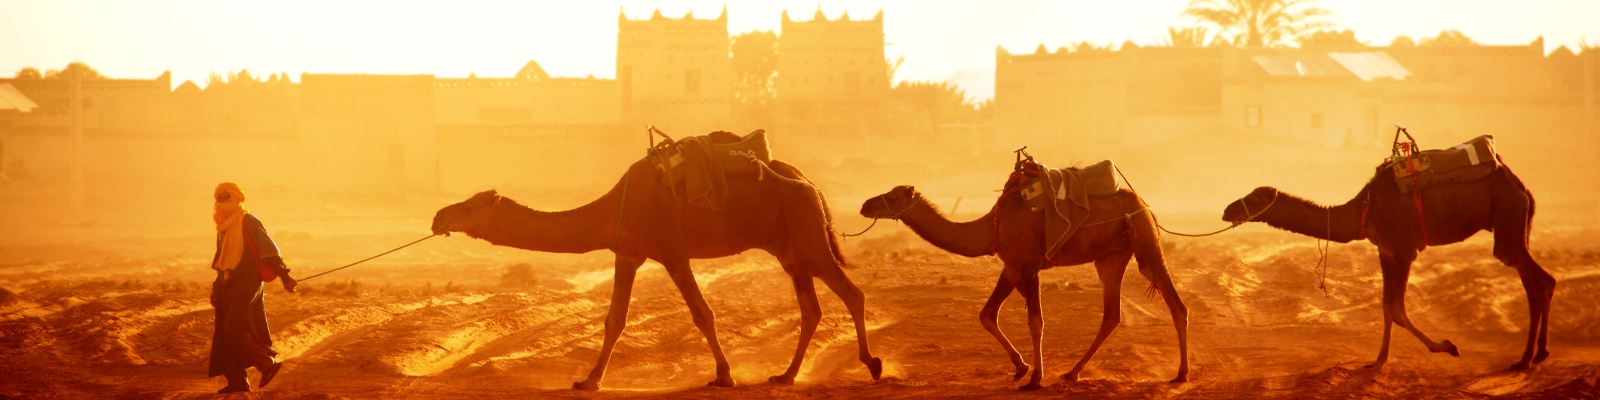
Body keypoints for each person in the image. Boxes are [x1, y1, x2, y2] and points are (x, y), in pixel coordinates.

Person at [208, 182, 297, 393]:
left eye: (227, 198)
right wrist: (215, 287)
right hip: (226, 285)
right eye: (220, 199)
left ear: (238, 199)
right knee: (224, 333)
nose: (223, 203)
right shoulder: (223, 224)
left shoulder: (249, 221)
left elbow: (269, 251)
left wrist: (285, 277)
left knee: (233, 330)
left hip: (247, 284)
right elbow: (221, 258)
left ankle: (267, 366)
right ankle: (237, 381)